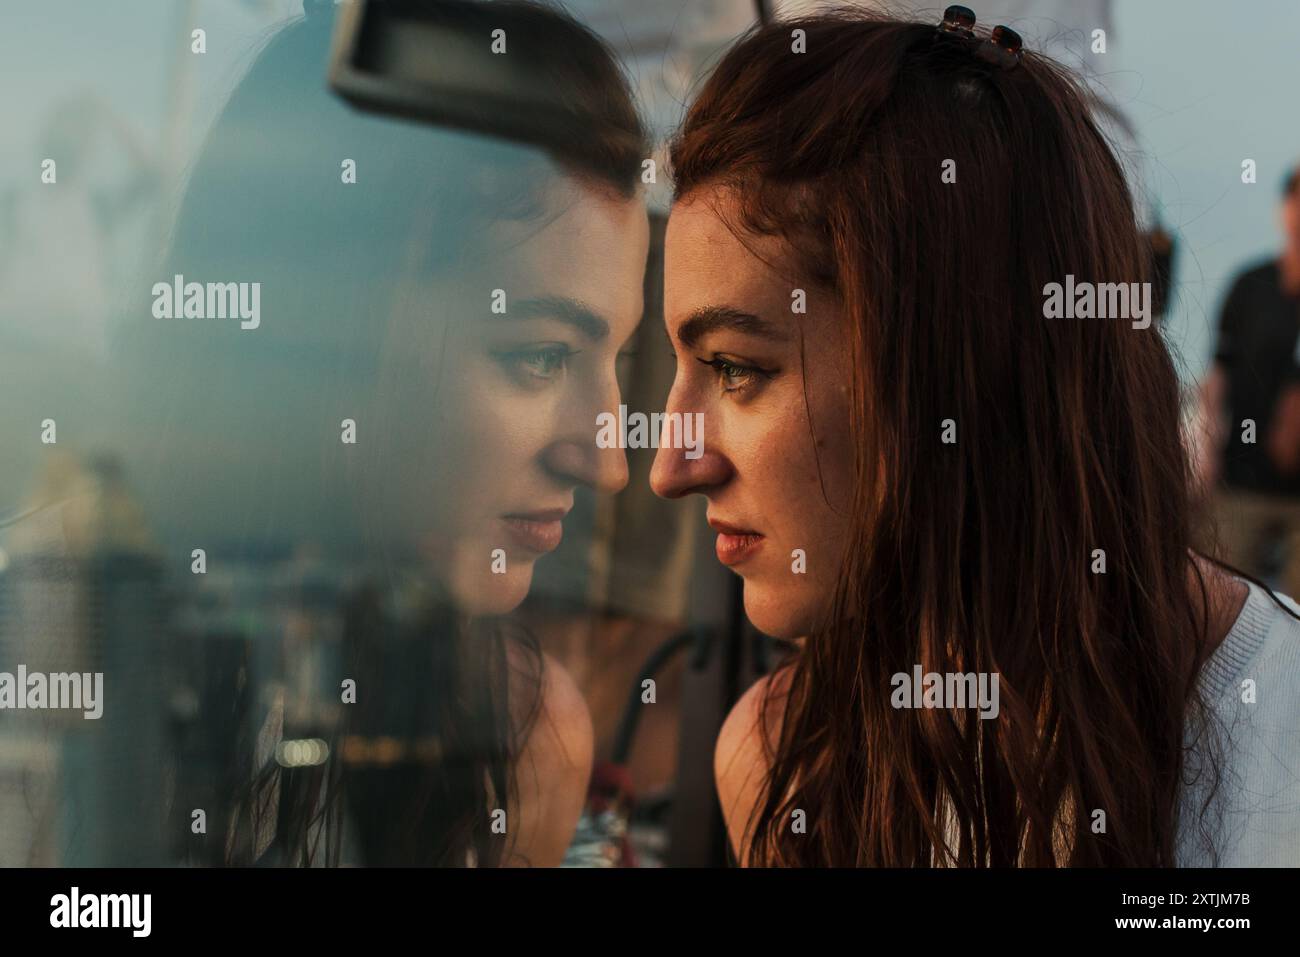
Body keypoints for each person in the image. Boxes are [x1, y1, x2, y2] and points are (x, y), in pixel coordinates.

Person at [651, 10, 1300, 866]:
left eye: (735, 367)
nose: (669, 465)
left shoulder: (1276, 731)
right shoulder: (781, 758)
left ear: (953, 363)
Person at [114, 0, 649, 866]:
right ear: (327, 327)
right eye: (543, 357)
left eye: (618, 359)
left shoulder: (527, 739)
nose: (610, 461)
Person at [1197, 167, 1300, 595]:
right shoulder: (1250, 284)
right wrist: (1205, 449)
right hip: (1241, 481)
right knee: (1221, 602)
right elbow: (1218, 372)